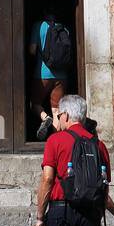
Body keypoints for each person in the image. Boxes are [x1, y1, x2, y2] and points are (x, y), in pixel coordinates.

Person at [35, 94, 114, 226]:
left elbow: (48, 179)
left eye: (58, 116)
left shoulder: (55, 140)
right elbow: (103, 188)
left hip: (61, 213)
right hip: (90, 216)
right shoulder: (99, 146)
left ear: (66, 115)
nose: (59, 120)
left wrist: (40, 217)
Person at [28, 9, 72, 139]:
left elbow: (32, 50)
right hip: (62, 76)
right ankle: (56, 141)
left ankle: (44, 117)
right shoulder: (64, 28)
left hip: (42, 73)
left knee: (34, 103)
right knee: (56, 110)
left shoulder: (39, 26)